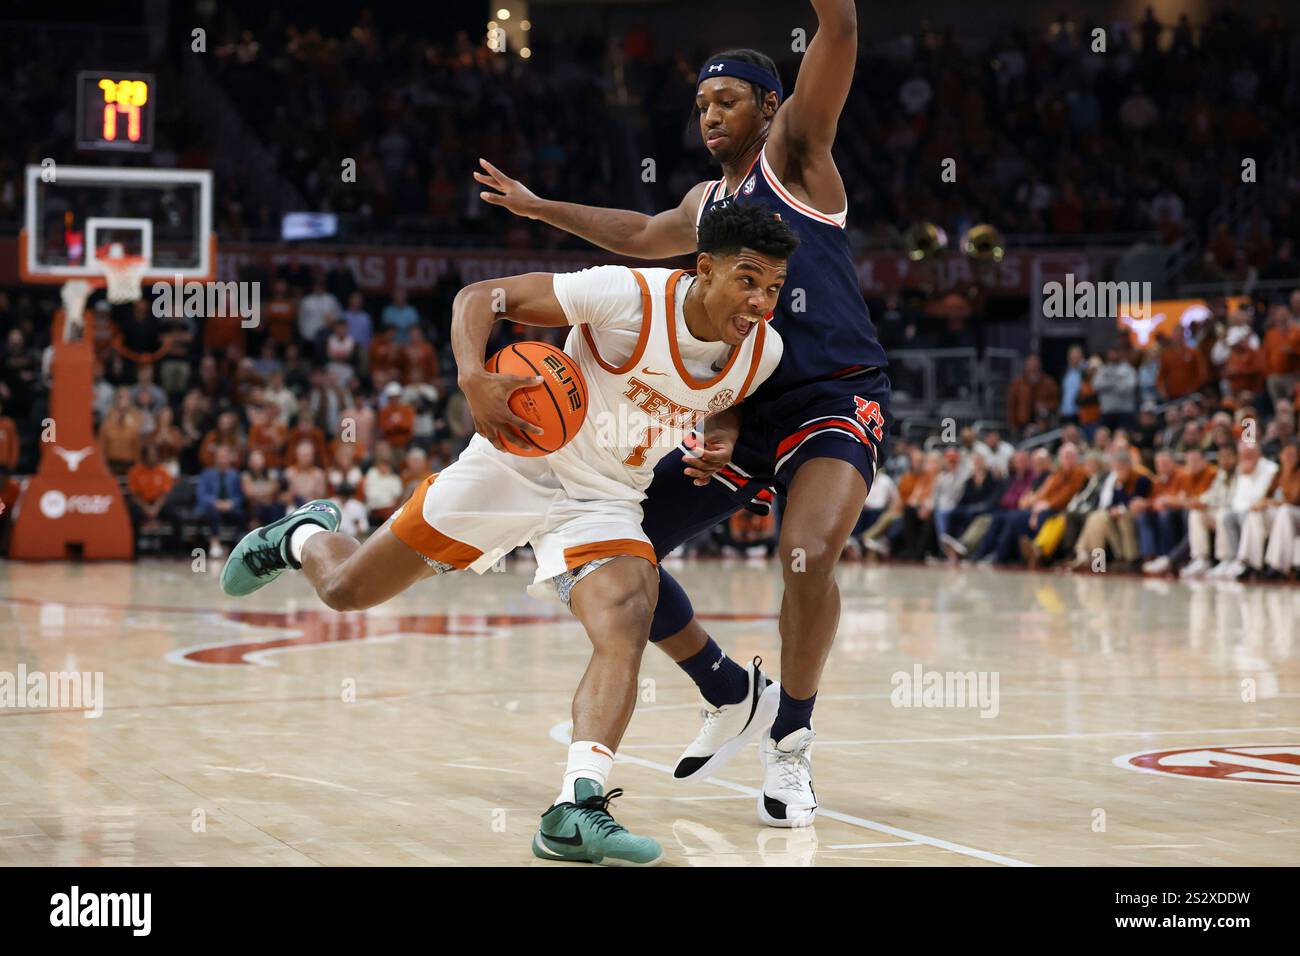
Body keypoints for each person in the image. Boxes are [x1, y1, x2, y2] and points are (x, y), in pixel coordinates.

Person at [220, 203, 794, 865]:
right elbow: (481, 297)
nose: (760, 301)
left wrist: (718, 440)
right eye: (747, 281)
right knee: (348, 590)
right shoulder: (627, 296)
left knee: (630, 611)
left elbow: (727, 405)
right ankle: (299, 537)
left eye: (774, 288)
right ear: (703, 269)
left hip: (604, 500)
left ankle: (576, 806)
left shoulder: (764, 350)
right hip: (515, 461)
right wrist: (473, 377)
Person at [476, 1, 889, 827]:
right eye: (701, 104)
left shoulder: (795, 158)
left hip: (831, 395)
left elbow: (838, 32)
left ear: (769, 107)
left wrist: (830, 13)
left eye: (726, 100)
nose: (709, 115)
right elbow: (637, 232)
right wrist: (538, 208)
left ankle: (793, 744)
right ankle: (729, 689)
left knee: (807, 554)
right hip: (738, 403)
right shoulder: (707, 204)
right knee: (615, 556)